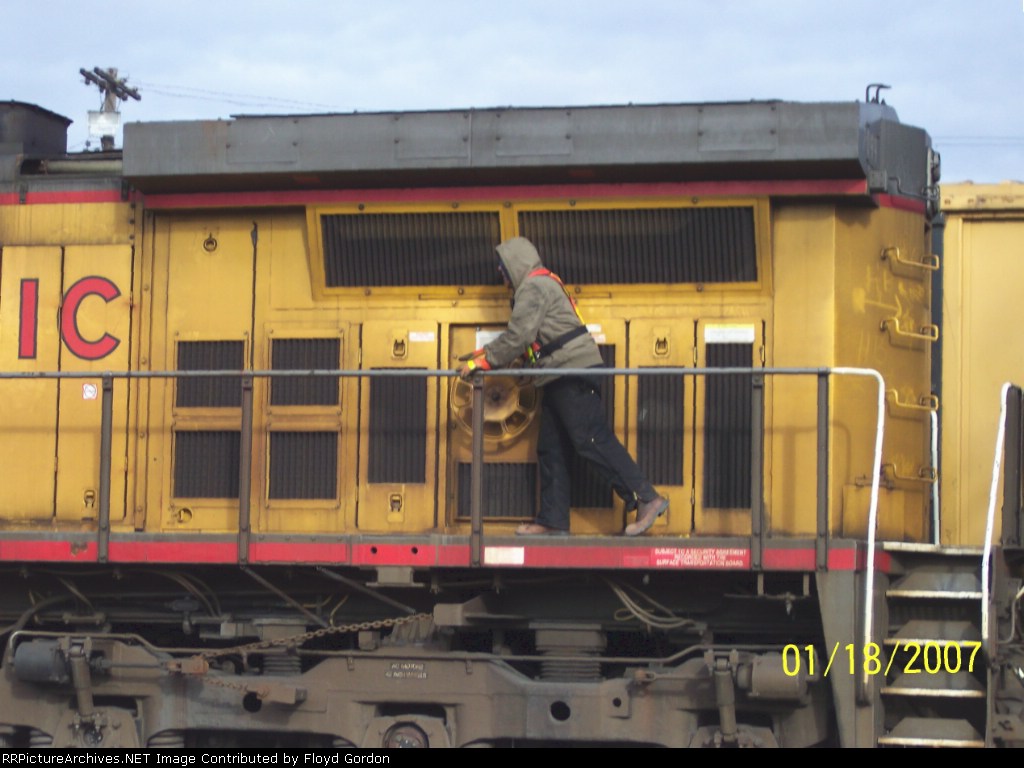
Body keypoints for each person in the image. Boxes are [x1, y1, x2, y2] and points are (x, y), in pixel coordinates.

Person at [458, 236, 668, 536]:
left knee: (589, 438)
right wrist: (480, 357)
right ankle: (553, 520)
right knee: (551, 448)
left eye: (503, 268)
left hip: (572, 372)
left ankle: (646, 497)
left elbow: (518, 336)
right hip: (557, 375)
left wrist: (482, 363)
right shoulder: (538, 286)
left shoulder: (533, 286)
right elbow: (526, 341)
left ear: (516, 264)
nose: (502, 275)